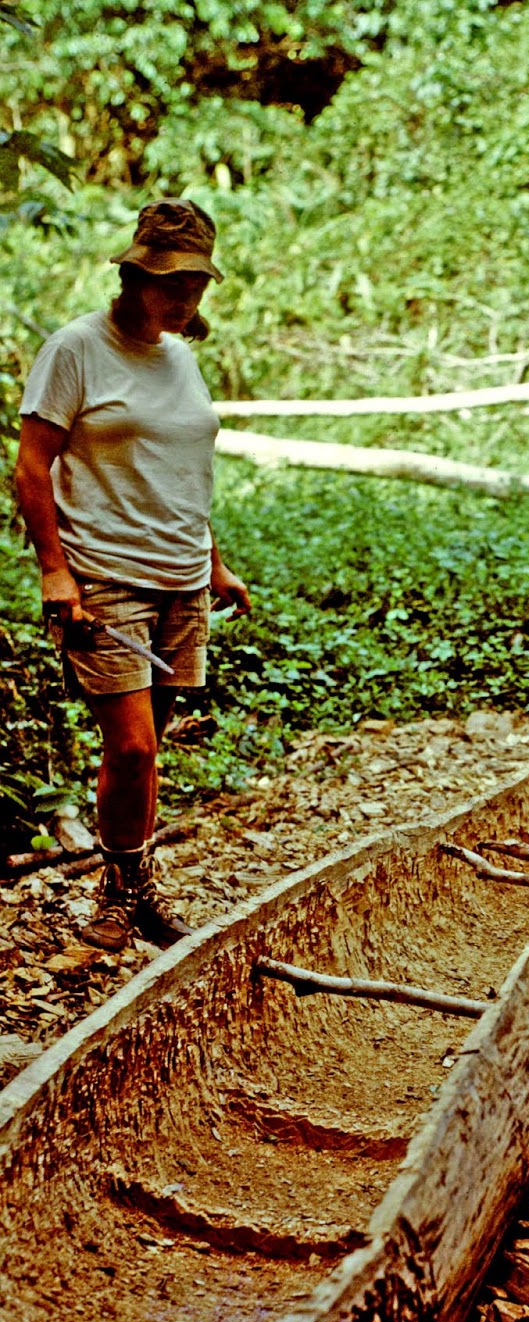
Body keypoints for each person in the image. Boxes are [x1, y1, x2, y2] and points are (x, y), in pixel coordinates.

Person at [15, 198, 250, 953]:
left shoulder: (182, 358)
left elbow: (185, 470)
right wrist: (56, 572)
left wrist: (213, 564)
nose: (184, 297)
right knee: (134, 746)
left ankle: (130, 883)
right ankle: (121, 895)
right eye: (169, 281)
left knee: (155, 742)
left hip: (179, 575)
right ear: (134, 274)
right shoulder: (77, 349)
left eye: (196, 284)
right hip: (104, 576)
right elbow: (31, 465)